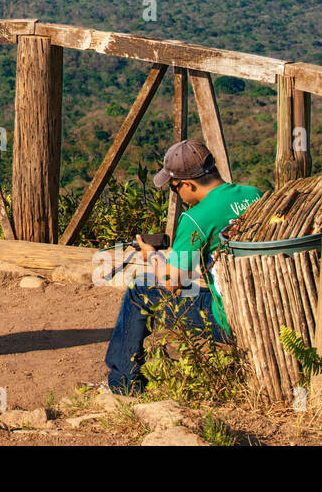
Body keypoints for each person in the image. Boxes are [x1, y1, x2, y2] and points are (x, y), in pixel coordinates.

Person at [102, 139, 260, 395]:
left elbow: (171, 282)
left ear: (187, 184)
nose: (176, 194)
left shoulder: (195, 219)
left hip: (230, 318)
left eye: (174, 188)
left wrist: (152, 256)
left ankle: (123, 385)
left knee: (140, 290)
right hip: (265, 304)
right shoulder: (254, 194)